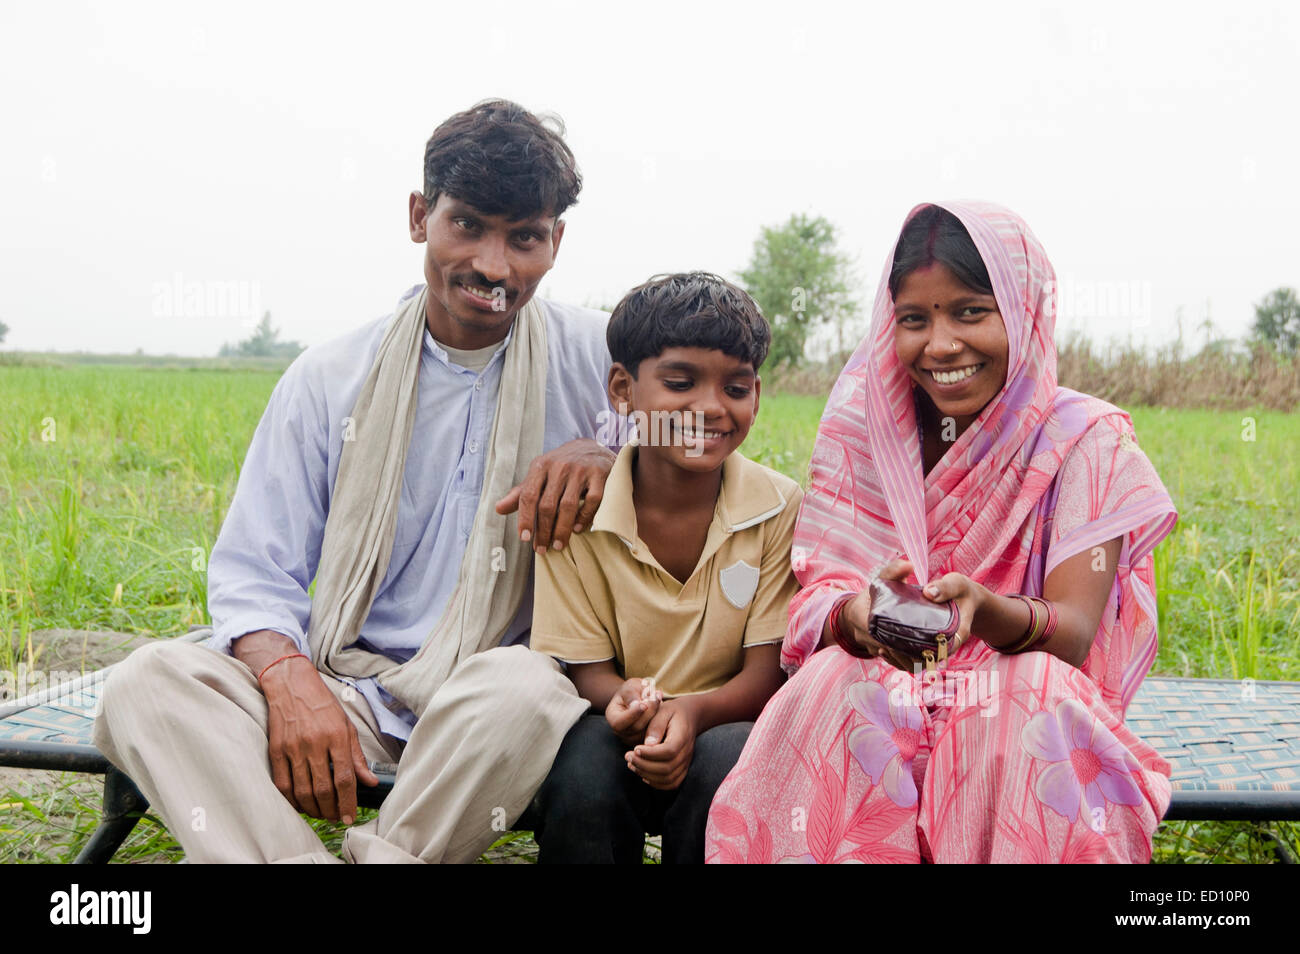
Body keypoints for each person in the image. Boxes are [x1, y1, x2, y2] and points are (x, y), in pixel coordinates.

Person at [93, 100, 617, 863]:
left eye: (525, 237)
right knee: (150, 682)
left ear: (556, 242)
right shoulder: (329, 377)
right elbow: (253, 572)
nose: (495, 266)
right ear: (419, 217)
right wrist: (288, 677)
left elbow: (701, 485)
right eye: (467, 225)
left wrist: (616, 463)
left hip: (489, 708)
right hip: (347, 688)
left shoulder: (607, 365)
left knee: (532, 684)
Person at [705, 202, 1178, 864]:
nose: (941, 345)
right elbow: (822, 593)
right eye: (914, 320)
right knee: (835, 681)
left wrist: (981, 611)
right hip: (895, 680)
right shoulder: (865, 431)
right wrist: (863, 614)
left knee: (1023, 693)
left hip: (1017, 689)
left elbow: (1070, 632)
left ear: (1024, 312)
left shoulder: (1086, 442)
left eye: (970, 312)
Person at [526, 272, 799, 863]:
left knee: (733, 757)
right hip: (613, 721)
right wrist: (629, 700)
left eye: (736, 388)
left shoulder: (779, 507)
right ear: (623, 388)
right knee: (582, 772)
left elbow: (766, 675)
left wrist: (691, 711)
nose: (710, 408)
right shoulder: (576, 512)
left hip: (726, 718)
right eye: (680, 382)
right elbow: (584, 670)